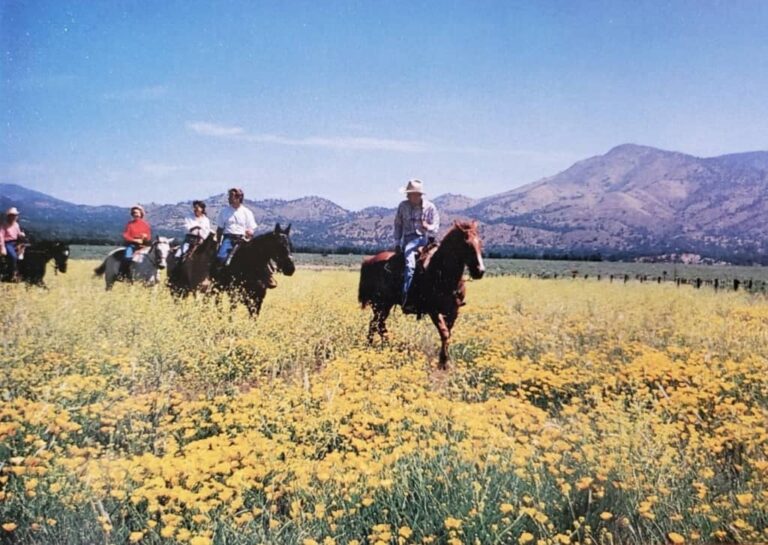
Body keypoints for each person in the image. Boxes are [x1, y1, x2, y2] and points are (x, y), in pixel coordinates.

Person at [215, 187, 276, 288]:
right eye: (229, 196)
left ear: (238, 197)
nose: (229, 198)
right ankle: (219, 281)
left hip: (243, 239)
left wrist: (250, 232)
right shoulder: (224, 212)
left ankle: (268, 277)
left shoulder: (247, 212)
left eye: (231, 196)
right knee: (221, 257)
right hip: (228, 239)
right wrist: (218, 242)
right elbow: (220, 229)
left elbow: (252, 227)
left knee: (259, 257)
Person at [393, 179, 440, 310]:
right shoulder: (403, 206)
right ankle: (406, 298)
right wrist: (397, 242)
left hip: (425, 239)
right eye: (408, 194)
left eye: (411, 194)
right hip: (408, 240)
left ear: (418, 195)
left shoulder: (430, 207)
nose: (408, 196)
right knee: (410, 266)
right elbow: (398, 225)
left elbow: (435, 226)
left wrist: (428, 227)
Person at [0, 207, 26, 281]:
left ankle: (21, 271)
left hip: (15, 242)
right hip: (7, 243)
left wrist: (21, 234)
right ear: (9, 216)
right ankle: (12, 274)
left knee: (24, 253)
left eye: (15, 215)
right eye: (13, 215)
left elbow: (18, 233)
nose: (14, 217)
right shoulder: (4, 225)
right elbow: (1, 237)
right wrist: (2, 248)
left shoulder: (16, 225)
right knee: (13, 256)